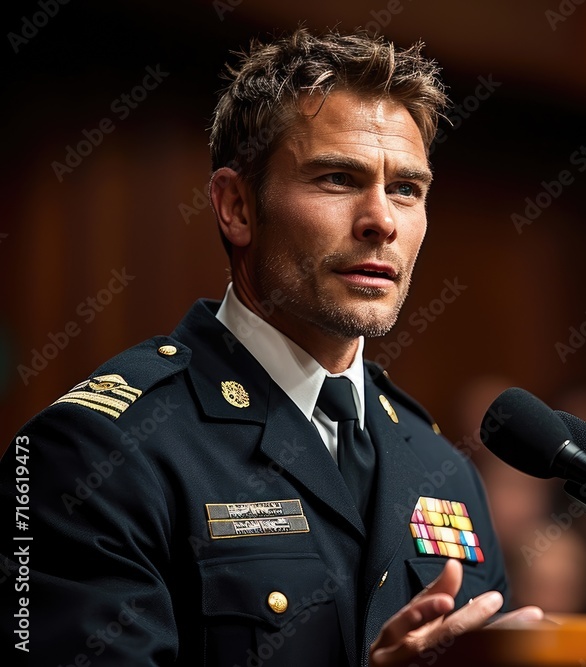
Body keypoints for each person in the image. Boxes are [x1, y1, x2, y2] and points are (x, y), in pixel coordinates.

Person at [1, 28, 541, 666]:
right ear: (236, 206)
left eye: (406, 189)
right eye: (338, 178)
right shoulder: (99, 449)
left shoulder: (441, 468)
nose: (382, 220)